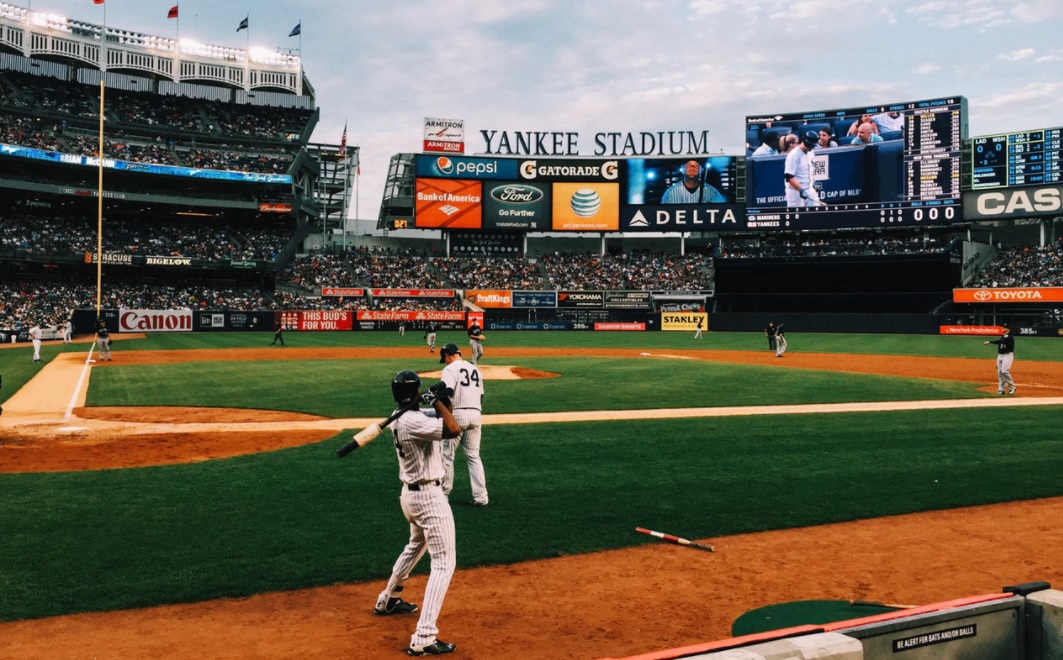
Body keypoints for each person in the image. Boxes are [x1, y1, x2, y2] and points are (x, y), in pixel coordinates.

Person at [374, 369, 462, 657]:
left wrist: (441, 399)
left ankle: (389, 598)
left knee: (416, 545)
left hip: (410, 497)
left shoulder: (401, 416)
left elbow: (439, 416)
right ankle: (424, 636)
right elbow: (452, 428)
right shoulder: (412, 421)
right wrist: (437, 402)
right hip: (428, 499)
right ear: (414, 393)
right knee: (444, 563)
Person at [438, 343, 488, 507]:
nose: (444, 361)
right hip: (476, 414)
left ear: (447, 355)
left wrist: (443, 413)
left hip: (458, 414)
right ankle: (481, 497)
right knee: (474, 456)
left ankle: (443, 496)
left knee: (446, 456)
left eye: (444, 358)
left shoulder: (450, 369)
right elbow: (481, 396)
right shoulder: (475, 369)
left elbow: (447, 394)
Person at [661, 159, 727, 204]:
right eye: (688, 165)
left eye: (696, 165)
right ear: (682, 169)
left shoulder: (712, 192)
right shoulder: (670, 193)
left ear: (701, 170)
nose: (692, 167)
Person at [784, 131, 821, 207]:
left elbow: (810, 169)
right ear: (807, 143)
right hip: (795, 193)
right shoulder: (793, 155)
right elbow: (789, 177)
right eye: (811, 146)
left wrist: (812, 183)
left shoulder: (811, 152)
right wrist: (801, 190)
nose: (813, 148)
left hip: (809, 190)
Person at [983, 325, 1016, 395]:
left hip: (1007, 355)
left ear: (1008, 330)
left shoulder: (1009, 336)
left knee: (1004, 371)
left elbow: (1001, 341)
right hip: (1000, 355)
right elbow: (1001, 341)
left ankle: (1012, 387)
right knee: (1000, 373)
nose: (1002, 329)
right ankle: (1001, 389)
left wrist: (990, 342)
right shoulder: (1004, 336)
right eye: (1003, 327)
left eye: (1004, 328)